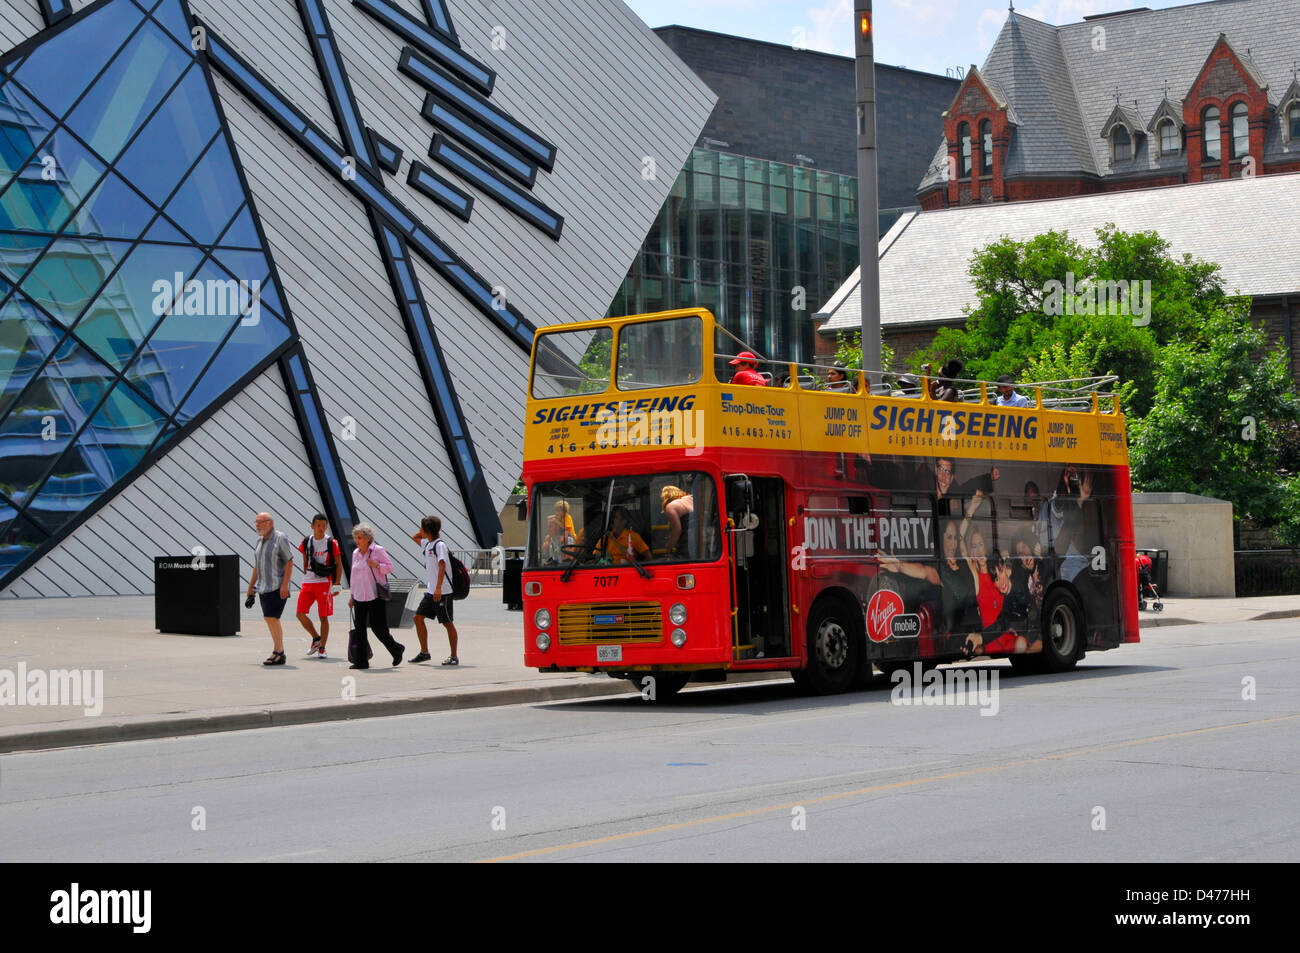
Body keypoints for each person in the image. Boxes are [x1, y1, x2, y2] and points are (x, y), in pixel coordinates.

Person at [347, 523, 404, 669]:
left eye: (360, 537)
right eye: (355, 538)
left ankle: (396, 649)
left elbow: (390, 567)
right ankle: (361, 661)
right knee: (359, 629)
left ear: (368, 538)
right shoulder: (355, 553)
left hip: (375, 595)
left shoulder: (377, 551)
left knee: (379, 629)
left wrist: (377, 565)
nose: (357, 540)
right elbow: (353, 576)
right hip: (359, 596)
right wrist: (352, 595)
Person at [247, 511, 295, 666]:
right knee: (269, 619)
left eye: (260, 522)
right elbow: (257, 565)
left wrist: (285, 584)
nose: (257, 525)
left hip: (277, 585)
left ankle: (279, 651)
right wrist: (251, 587)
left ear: (270, 523)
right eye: (256, 522)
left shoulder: (280, 538)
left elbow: (289, 561)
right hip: (263, 587)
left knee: (272, 618)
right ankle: (278, 651)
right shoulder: (259, 541)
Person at [411, 515, 459, 666]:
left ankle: (454, 656)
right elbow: (415, 537)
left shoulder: (439, 545)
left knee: (447, 623)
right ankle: (424, 652)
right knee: (418, 618)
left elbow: (442, 565)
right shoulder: (427, 544)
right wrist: (424, 530)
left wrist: (438, 588)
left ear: (427, 530)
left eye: (423, 528)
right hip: (431, 591)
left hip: (442, 591)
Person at [297, 513, 341, 659]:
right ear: (312, 526)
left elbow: (338, 563)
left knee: (323, 616)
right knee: (300, 613)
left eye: (323, 526)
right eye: (318, 525)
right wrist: (306, 575)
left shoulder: (331, 542)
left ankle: (322, 648)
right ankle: (316, 638)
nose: (321, 528)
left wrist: (336, 583)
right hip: (308, 581)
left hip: (324, 582)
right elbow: (305, 561)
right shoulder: (306, 541)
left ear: (326, 526)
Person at [661, 485, 694, 557]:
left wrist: (669, 546)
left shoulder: (670, 506)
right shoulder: (691, 498)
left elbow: (677, 530)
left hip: (687, 544)